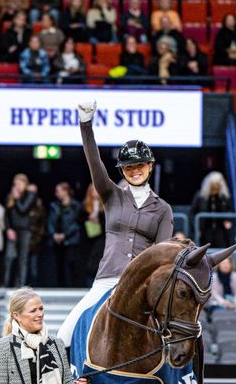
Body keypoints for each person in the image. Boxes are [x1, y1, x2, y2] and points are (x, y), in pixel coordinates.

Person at [56, 101, 174, 345]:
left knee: (181, 335)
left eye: (139, 165)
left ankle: (187, 381)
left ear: (149, 166)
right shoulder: (112, 196)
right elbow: (94, 162)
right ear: (122, 171)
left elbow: (163, 256)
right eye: (128, 167)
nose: (134, 171)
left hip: (142, 285)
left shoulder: (163, 209)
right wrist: (85, 125)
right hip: (107, 279)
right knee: (63, 336)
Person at [3, 174, 36, 288]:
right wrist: (8, 229)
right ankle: (5, 283)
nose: (17, 186)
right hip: (13, 230)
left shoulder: (30, 195)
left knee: (23, 259)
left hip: (24, 230)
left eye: (19, 184)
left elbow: (23, 209)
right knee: (9, 258)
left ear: (25, 184)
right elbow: (6, 215)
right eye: (15, 184)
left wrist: (17, 199)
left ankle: (20, 284)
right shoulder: (10, 196)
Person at [48, 182, 83, 288]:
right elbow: (50, 221)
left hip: (71, 239)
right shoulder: (54, 206)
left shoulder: (76, 206)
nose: (56, 193)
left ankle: (75, 287)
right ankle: (60, 287)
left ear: (65, 191)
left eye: (58, 191)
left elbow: (76, 223)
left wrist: (65, 235)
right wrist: (53, 234)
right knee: (59, 265)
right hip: (57, 240)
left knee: (72, 264)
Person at [190, 171, 233, 248]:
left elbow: (230, 211)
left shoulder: (224, 197)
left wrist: (228, 220)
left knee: (222, 251)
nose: (215, 188)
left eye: (217, 185)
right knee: (204, 251)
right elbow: (192, 213)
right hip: (205, 230)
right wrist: (196, 228)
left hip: (221, 230)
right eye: (214, 185)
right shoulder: (200, 196)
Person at [80, 182, 106, 284]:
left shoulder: (104, 205)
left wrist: (98, 220)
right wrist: (89, 219)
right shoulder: (85, 205)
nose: (94, 192)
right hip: (88, 237)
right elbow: (79, 220)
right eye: (92, 190)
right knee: (88, 261)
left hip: (100, 237)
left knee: (97, 260)